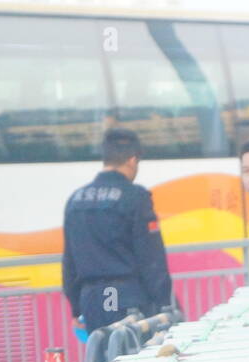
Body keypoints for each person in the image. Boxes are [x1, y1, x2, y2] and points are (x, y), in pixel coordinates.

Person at [62, 128, 173, 335]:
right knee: (128, 356)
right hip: (119, 295)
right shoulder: (134, 197)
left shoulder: (75, 200)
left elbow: (69, 261)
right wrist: (164, 303)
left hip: (92, 299)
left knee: (105, 358)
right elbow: (151, 258)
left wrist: (76, 307)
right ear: (132, 160)